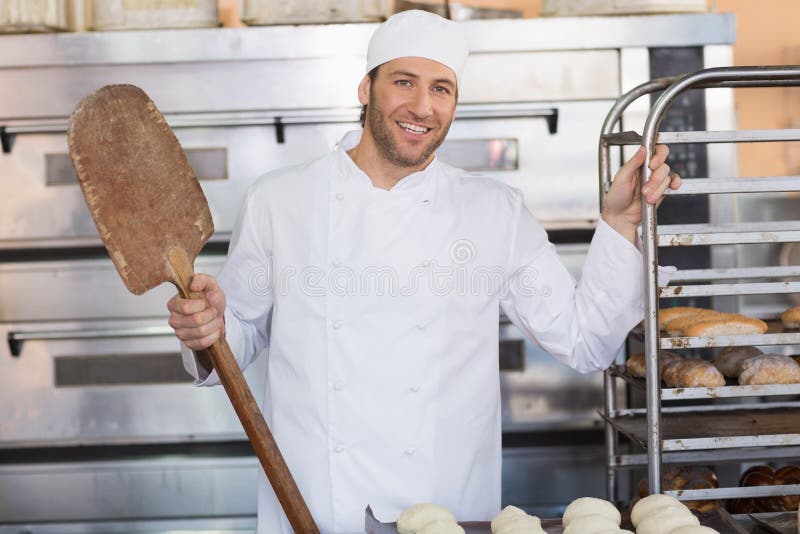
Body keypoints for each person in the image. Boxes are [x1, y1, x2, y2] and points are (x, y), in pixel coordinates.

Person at [167, 9, 680, 534]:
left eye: (441, 89)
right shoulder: (279, 200)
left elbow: (584, 341)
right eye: (403, 82)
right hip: (318, 505)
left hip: (448, 510)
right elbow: (235, 341)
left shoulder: (493, 211)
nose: (422, 106)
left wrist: (619, 223)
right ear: (366, 88)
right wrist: (209, 329)